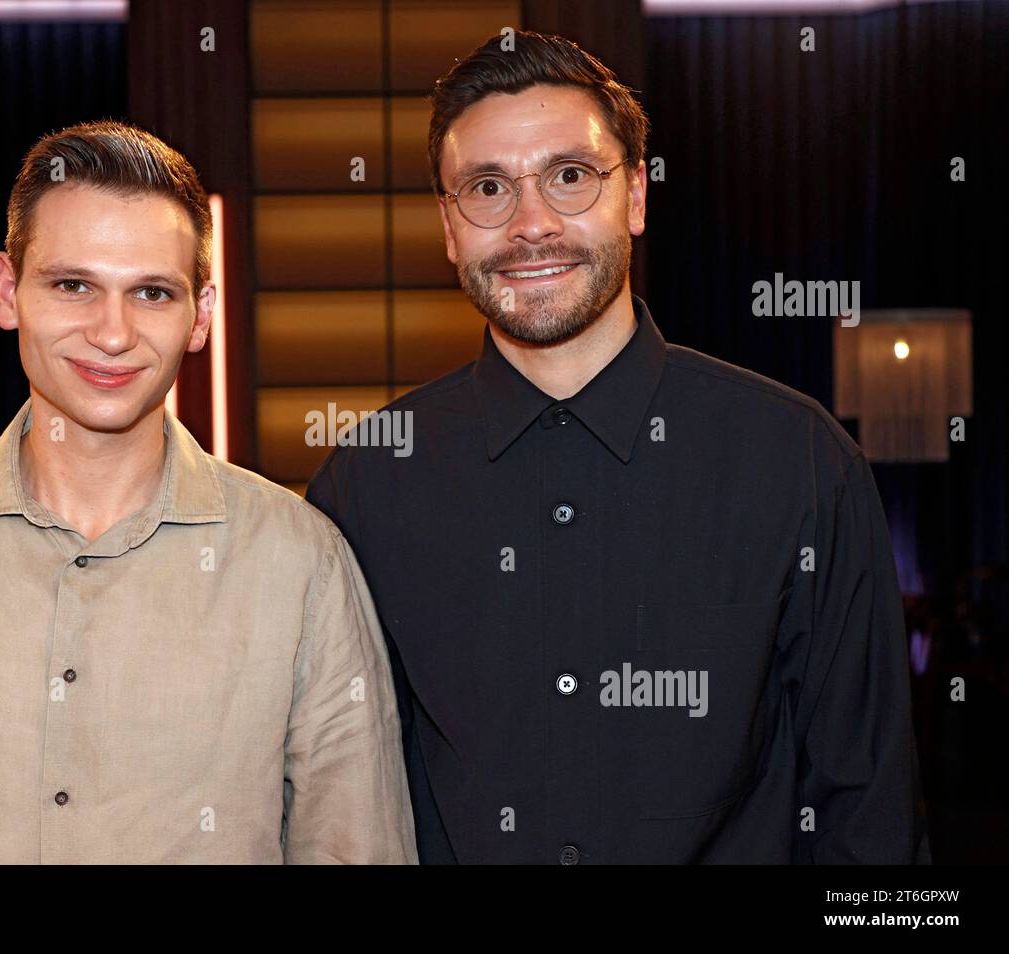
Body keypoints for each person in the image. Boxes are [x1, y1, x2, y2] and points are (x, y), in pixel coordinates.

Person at [306, 31, 929, 864]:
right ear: (450, 228)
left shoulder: (797, 460)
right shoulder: (368, 481)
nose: (531, 225)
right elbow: (336, 800)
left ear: (635, 195)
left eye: (570, 177)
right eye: (487, 187)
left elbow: (870, 814)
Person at [0, 120, 416, 864]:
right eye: (74, 285)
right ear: (8, 293)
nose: (111, 332)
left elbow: (357, 851)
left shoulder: (300, 559)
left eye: (152, 293)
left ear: (199, 316)